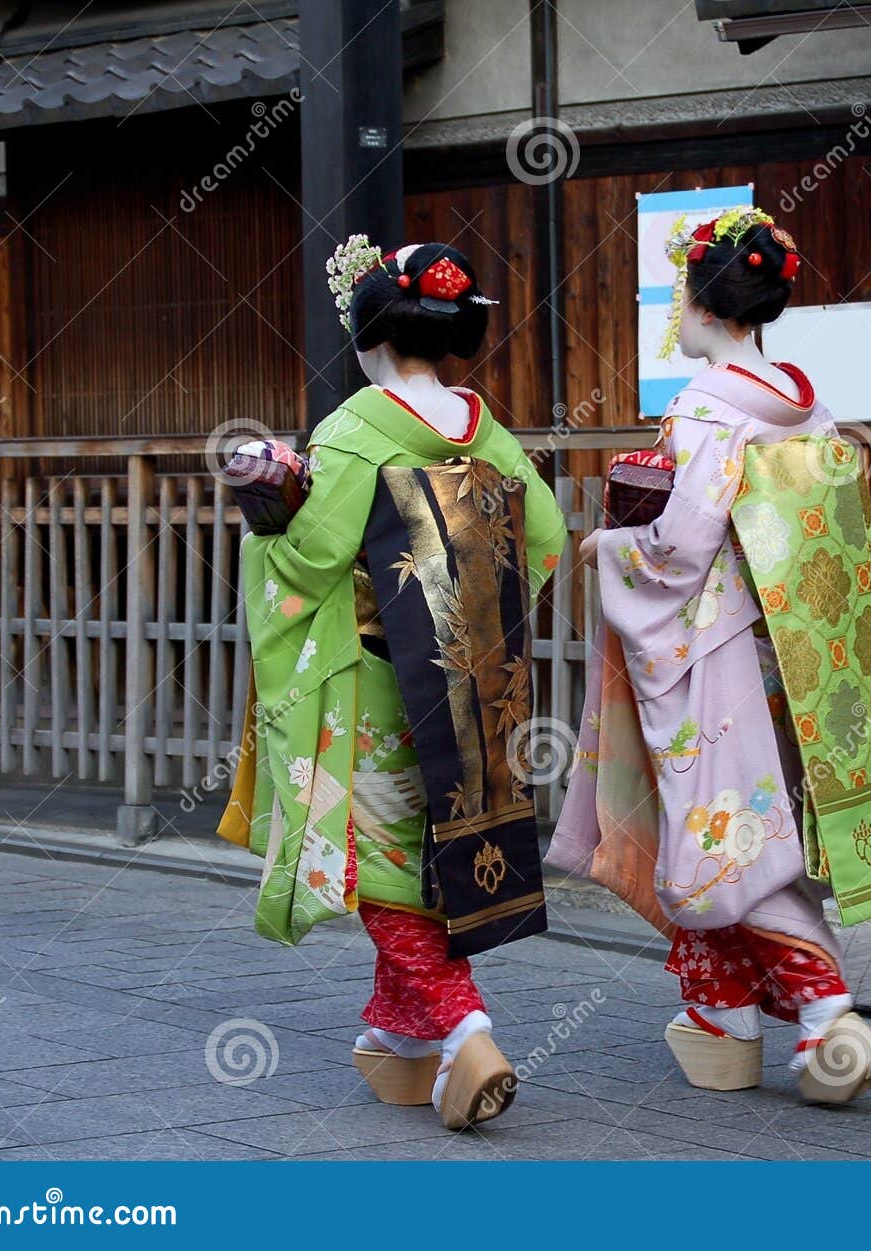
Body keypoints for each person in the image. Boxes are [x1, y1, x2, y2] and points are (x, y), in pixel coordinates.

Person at [549, 208, 871, 1104]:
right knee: (735, 821)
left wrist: (608, 551)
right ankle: (722, 1009)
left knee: (728, 834)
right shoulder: (802, 398)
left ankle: (827, 1011)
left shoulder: (708, 406)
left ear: (704, 307)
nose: (677, 312)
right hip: (799, 647)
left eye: (679, 294)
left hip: (712, 646)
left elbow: (680, 543)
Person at [218, 238, 566, 1130]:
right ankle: (402, 1040)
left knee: (378, 865)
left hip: (374, 682)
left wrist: (266, 528)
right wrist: (470, 605)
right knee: (429, 855)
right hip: (463, 677)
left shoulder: (355, 429)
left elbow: (316, 555)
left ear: (368, 336)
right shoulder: (484, 429)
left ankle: (467, 1031)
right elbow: (548, 535)